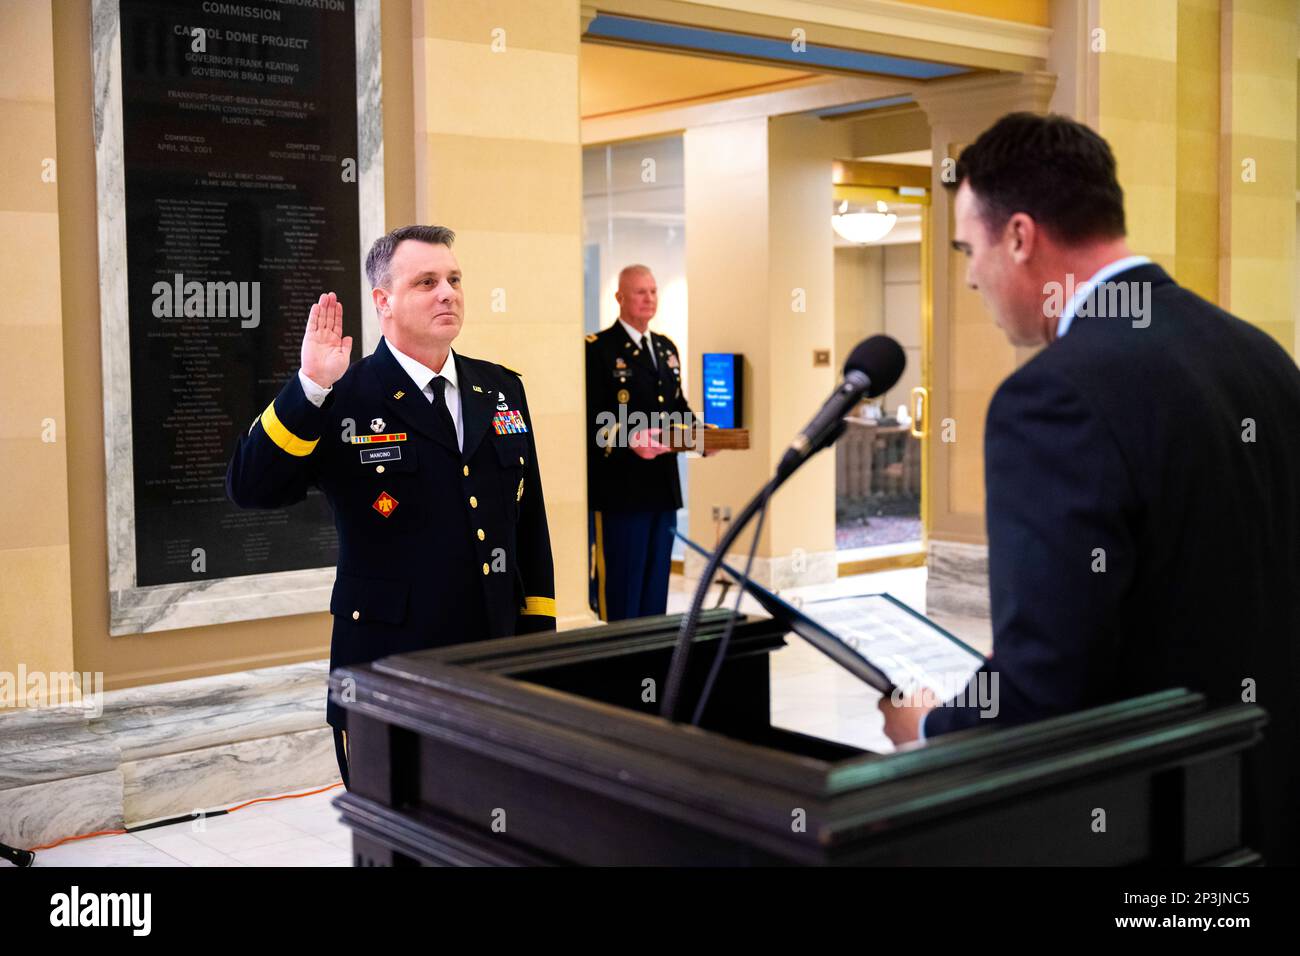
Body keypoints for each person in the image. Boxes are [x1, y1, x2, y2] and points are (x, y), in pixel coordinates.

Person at [877, 112, 1300, 864]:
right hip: (1264, 796)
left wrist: (933, 731)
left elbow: (1046, 680)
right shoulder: (1260, 355)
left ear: (1019, 236)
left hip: (1153, 825)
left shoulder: (1054, 396)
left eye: (970, 248)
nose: (970, 275)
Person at [227, 225, 555, 788]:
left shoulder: (499, 389)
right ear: (383, 301)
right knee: (400, 838)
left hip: (492, 663)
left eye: (453, 279)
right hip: (387, 666)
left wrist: (536, 646)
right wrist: (308, 386)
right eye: (426, 281)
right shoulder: (343, 395)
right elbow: (252, 487)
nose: (447, 292)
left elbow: (528, 526)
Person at [585, 265, 695, 621]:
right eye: (639, 292)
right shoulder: (598, 350)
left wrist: (701, 436)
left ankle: (651, 657)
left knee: (655, 584)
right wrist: (628, 438)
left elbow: (677, 406)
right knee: (622, 584)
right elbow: (589, 418)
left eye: (653, 291)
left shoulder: (664, 349)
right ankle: (617, 659)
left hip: (662, 486)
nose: (649, 298)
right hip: (621, 489)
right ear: (620, 298)